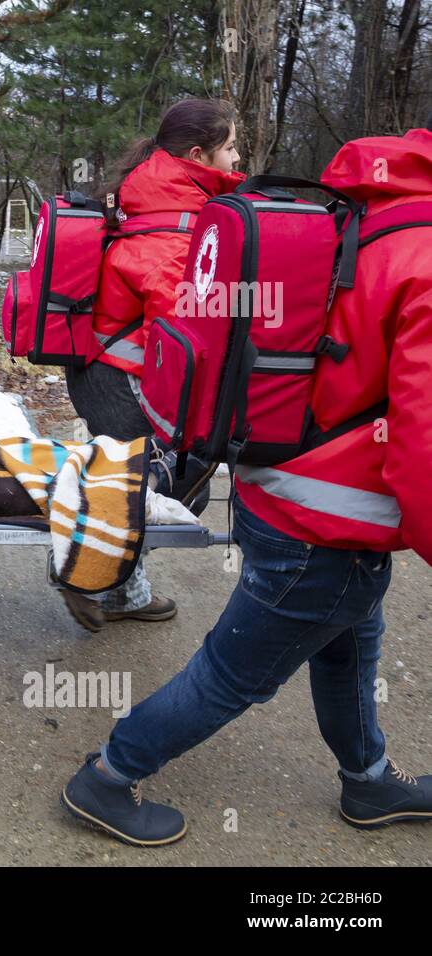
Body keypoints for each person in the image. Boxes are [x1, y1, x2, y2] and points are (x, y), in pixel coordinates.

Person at [60, 122, 432, 847]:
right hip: (330, 523)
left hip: (280, 483)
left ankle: (369, 780)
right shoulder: (425, 248)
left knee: (351, 648)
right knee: (234, 676)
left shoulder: (360, 211)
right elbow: (422, 434)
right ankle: (105, 778)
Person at [60, 98, 245, 633]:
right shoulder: (174, 227)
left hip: (108, 373)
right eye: (230, 147)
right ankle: (85, 571)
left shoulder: (162, 198)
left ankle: (119, 588)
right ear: (198, 154)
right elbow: (183, 332)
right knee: (173, 479)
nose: (237, 159)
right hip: (121, 385)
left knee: (154, 482)